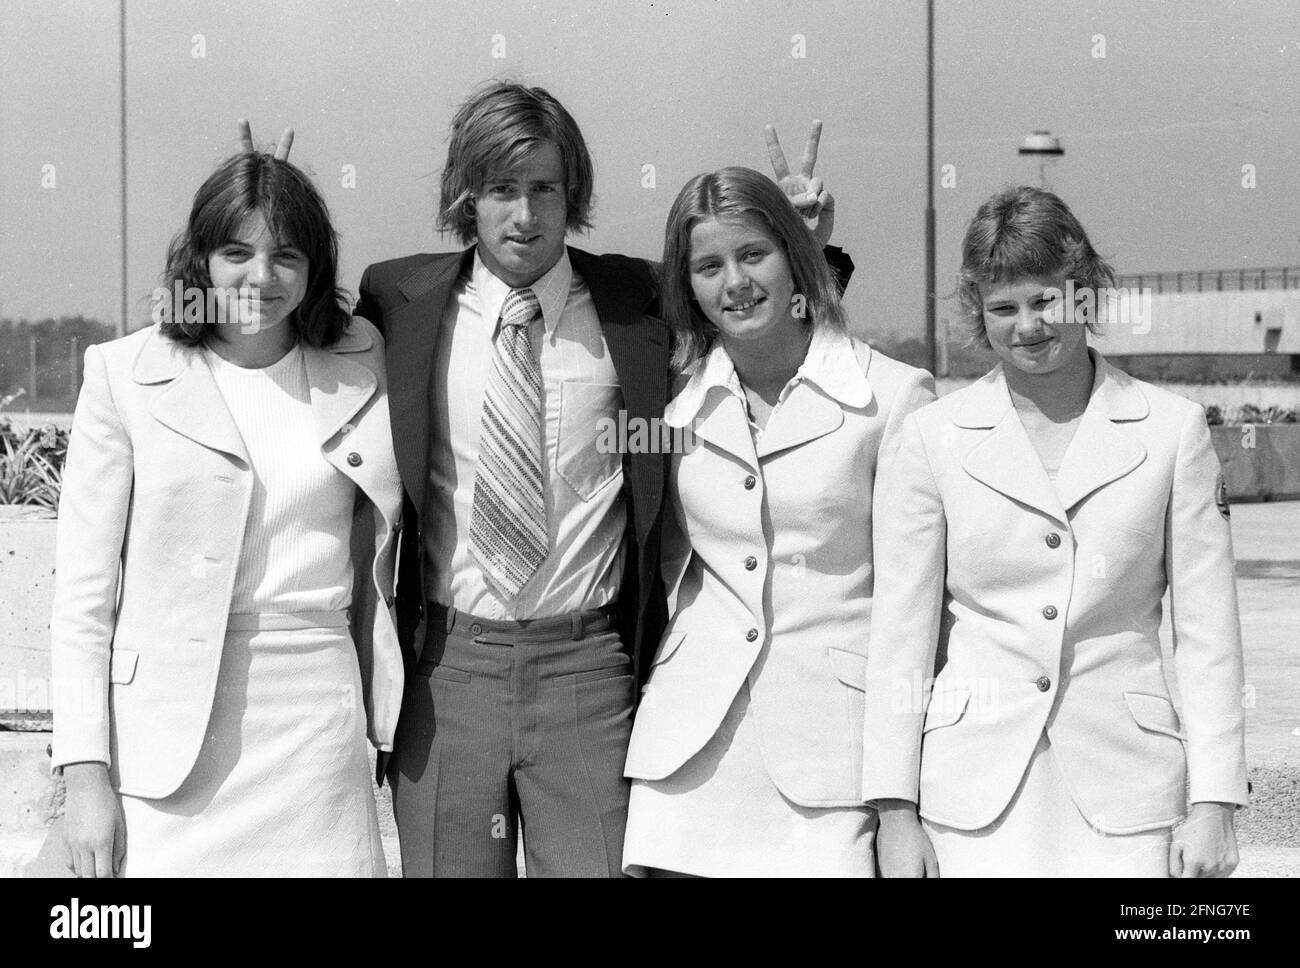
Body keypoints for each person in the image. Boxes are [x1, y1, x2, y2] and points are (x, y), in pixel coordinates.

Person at [353, 80, 849, 877]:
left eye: (545, 188)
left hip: (587, 676)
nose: (525, 215)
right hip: (448, 676)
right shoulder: (399, 299)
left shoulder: (638, 302)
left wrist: (804, 251)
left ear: (572, 192)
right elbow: (292, 342)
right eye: (502, 190)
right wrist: (267, 215)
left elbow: (759, 339)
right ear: (465, 197)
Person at [863, 186, 1248, 877]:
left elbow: (1209, 637)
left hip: (1128, 800)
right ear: (978, 315)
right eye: (1003, 308)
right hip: (971, 799)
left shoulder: (1172, 430)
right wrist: (895, 811)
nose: (1028, 326)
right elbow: (900, 635)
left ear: (1084, 294)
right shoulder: (931, 438)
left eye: (1045, 300)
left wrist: (1214, 802)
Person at [50, 146, 404, 877]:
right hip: (169, 750)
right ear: (200, 259)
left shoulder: (363, 362)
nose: (260, 278)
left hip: (316, 738)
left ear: (315, 269)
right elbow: (82, 599)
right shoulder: (123, 376)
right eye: (236, 252)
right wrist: (84, 772)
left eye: (287, 256)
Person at [620, 166, 935, 876]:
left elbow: (910, 616)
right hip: (688, 763)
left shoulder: (893, 398)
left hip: (832, 771)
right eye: (709, 265)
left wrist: (897, 804)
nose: (734, 282)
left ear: (797, 258)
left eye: (754, 254)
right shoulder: (674, 410)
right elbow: (668, 568)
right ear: (689, 287)